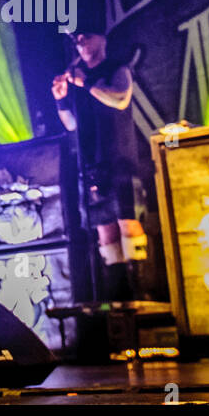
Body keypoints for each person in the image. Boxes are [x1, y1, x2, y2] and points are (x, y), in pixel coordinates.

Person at [51, 30, 140, 300]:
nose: (80, 43)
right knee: (104, 229)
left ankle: (143, 287)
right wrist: (60, 98)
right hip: (91, 164)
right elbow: (71, 124)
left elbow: (120, 98)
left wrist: (87, 83)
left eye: (86, 36)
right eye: (77, 40)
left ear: (101, 38)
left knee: (128, 222)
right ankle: (120, 297)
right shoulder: (77, 79)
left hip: (119, 159)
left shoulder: (117, 68)